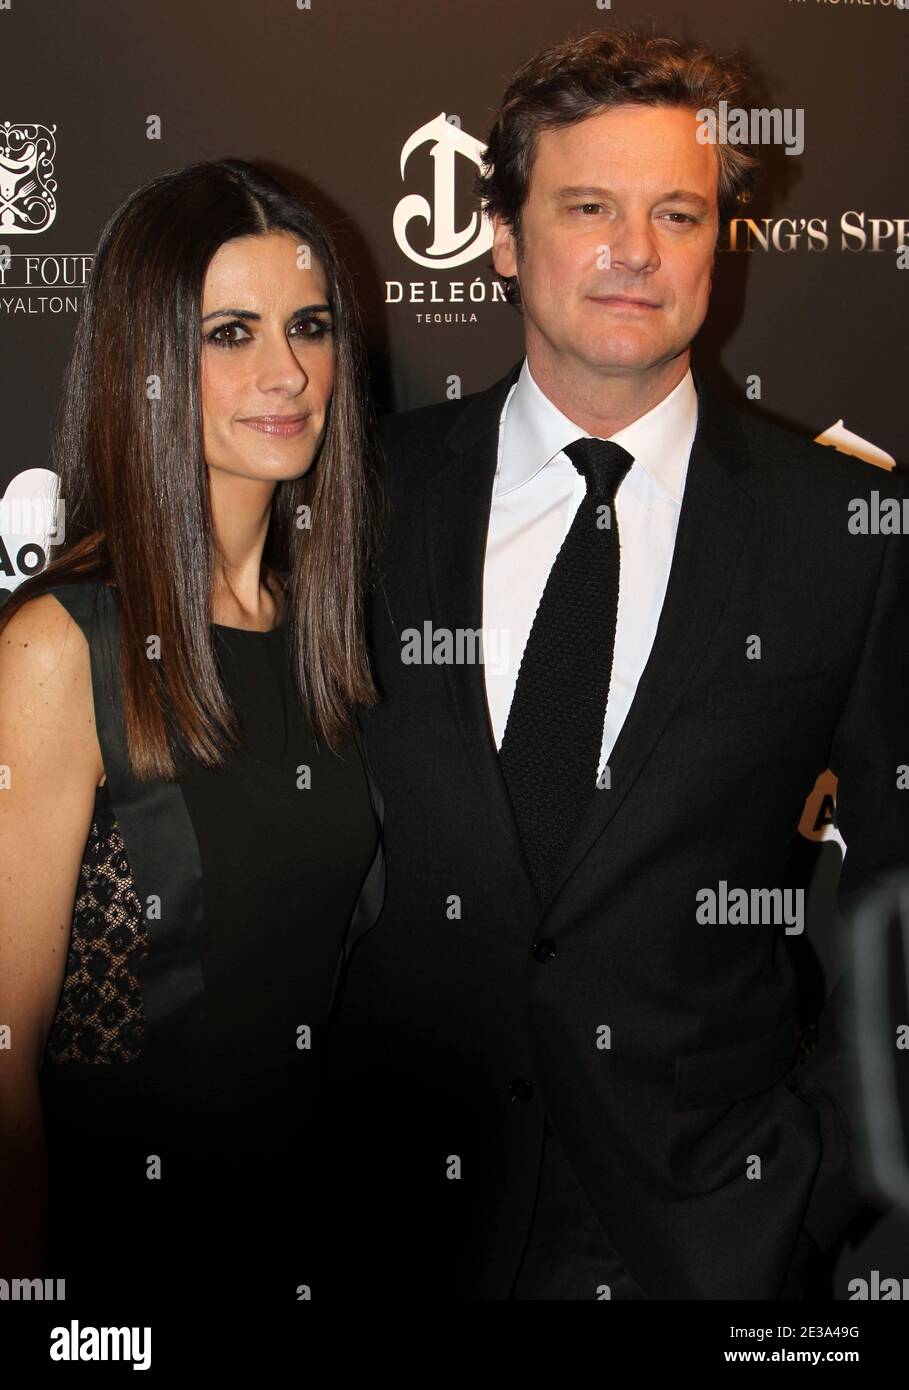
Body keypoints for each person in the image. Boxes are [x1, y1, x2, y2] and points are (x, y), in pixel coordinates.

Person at [322, 29, 908, 1299]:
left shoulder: (846, 532)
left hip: (703, 1238)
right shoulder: (363, 499)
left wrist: (810, 1181)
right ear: (501, 232)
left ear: (719, 243)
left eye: (678, 212)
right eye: (588, 205)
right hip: (387, 1221)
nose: (633, 251)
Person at [0, 158, 385, 1305]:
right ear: (147, 362)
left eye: (309, 326)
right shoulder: (58, 648)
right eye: (230, 333)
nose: (287, 372)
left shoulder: (329, 640)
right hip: (119, 1268)